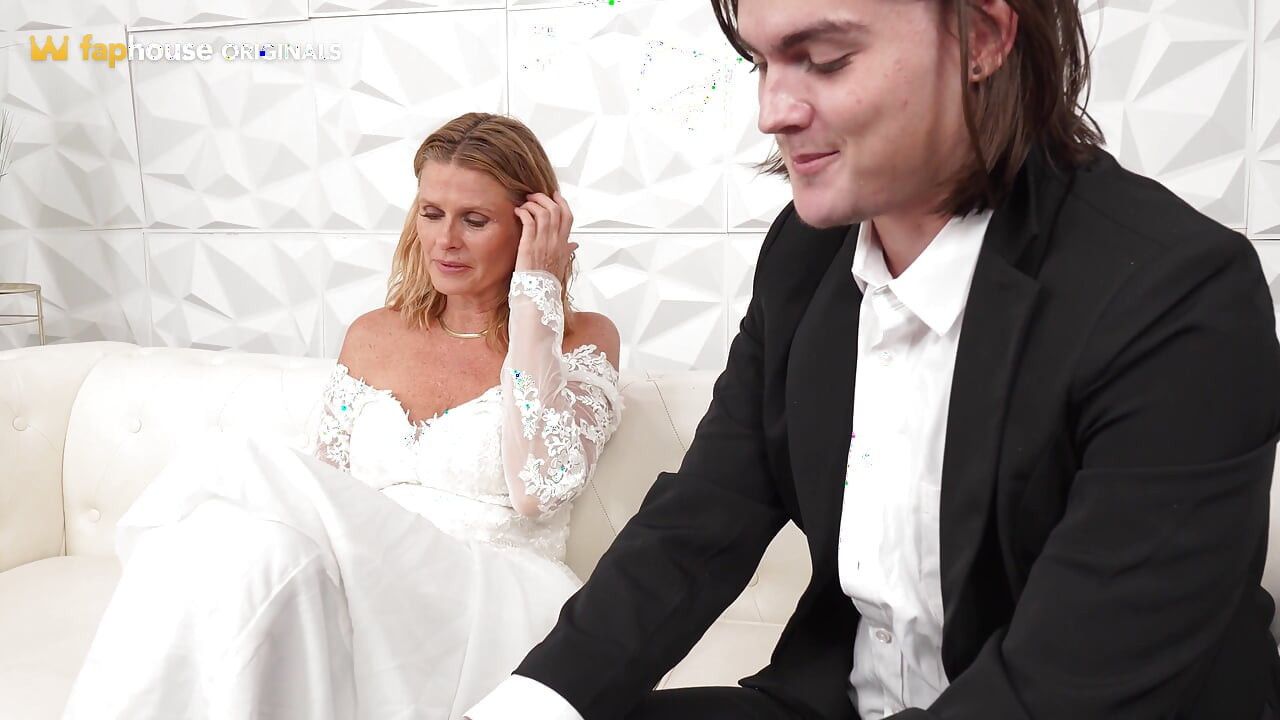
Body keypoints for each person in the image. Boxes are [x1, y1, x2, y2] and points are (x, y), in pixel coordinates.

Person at [467, 1, 1280, 718]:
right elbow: (695, 528)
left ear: (983, 37)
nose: (772, 112)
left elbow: (1063, 691)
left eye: (824, 59)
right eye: (761, 63)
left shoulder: (1178, 297)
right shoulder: (804, 256)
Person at [62, 112, 623, 720]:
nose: (445, 240)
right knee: (248, 550)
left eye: (475, 220)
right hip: (367, 587)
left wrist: (536, 294)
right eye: (431, 213)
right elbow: (327, 494)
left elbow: (541, 488)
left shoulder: (581, 339)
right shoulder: (373, 335)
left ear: (532, 224)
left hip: (489, 597)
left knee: (234, 467)